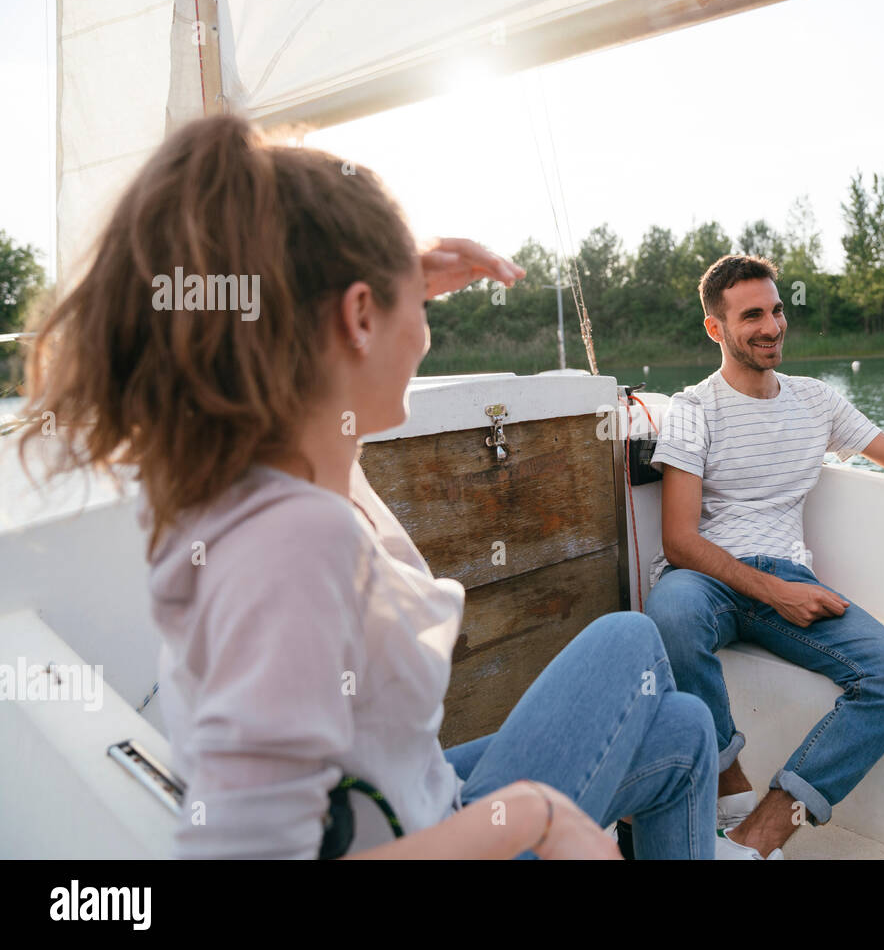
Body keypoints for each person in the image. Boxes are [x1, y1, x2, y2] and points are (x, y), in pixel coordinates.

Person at [18, 114, 718, 859]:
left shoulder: (264, 462)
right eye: (411, 306)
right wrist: (531, 812)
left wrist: (394, 276)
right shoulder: (295, 542)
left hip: (413, 802)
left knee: (683, 729)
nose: (423, 330)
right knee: (632, 636)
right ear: (357, 315)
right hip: (417, 835)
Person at [643, 254, 884, 859]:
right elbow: (679, 540)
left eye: (777, 310)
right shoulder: (692, 409)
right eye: (751, 315)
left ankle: (759, 835)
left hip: (788, 574)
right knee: (669, 612)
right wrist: (773, 591)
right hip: (708, 579)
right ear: (716, 329)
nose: (772, 326)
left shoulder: (816, 401)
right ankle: (728, 780)